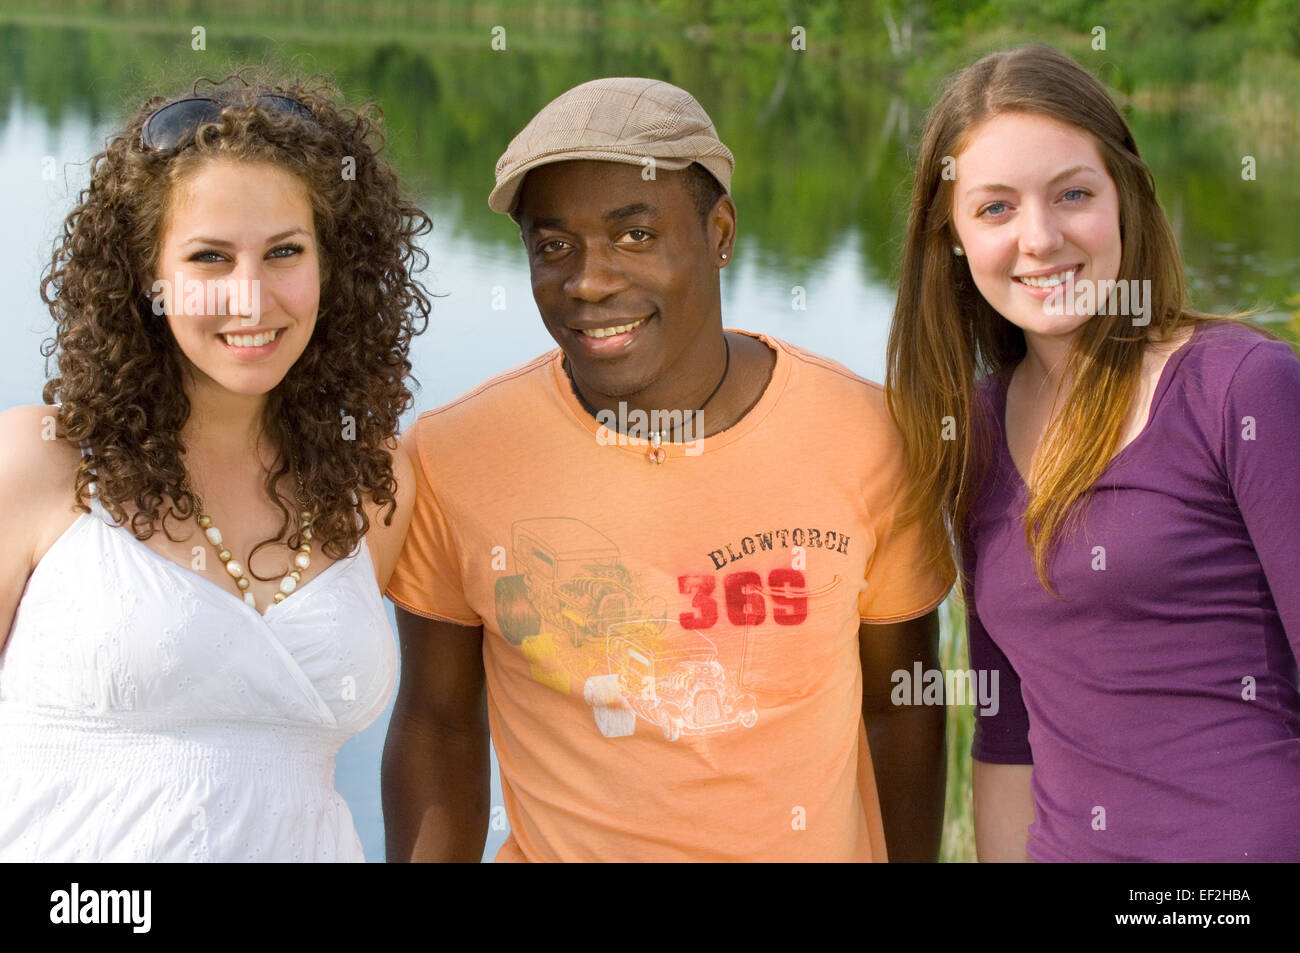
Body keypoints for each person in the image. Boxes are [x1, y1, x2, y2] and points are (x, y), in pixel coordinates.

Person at [382, 77, 953, 862]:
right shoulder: (455, 454)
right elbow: (437, 721)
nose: (589, 279)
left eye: (635, 236)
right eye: (554, 246)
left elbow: (901, 707)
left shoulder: (870, 434)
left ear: (720, 231)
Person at [0, 75, 431, 861]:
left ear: (332, 268)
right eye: (208, 256)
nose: (251, 295)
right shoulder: (37, 462)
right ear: (145, 275)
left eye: (284, 252)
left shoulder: (374, 480)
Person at [885, 44, 1300, 862]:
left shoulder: (1240, 388)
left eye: (1072, 194)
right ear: (953, 238)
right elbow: (1006, 736)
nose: (1040, 239)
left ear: (1125, 200)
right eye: (995, 208)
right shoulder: (971, 430)